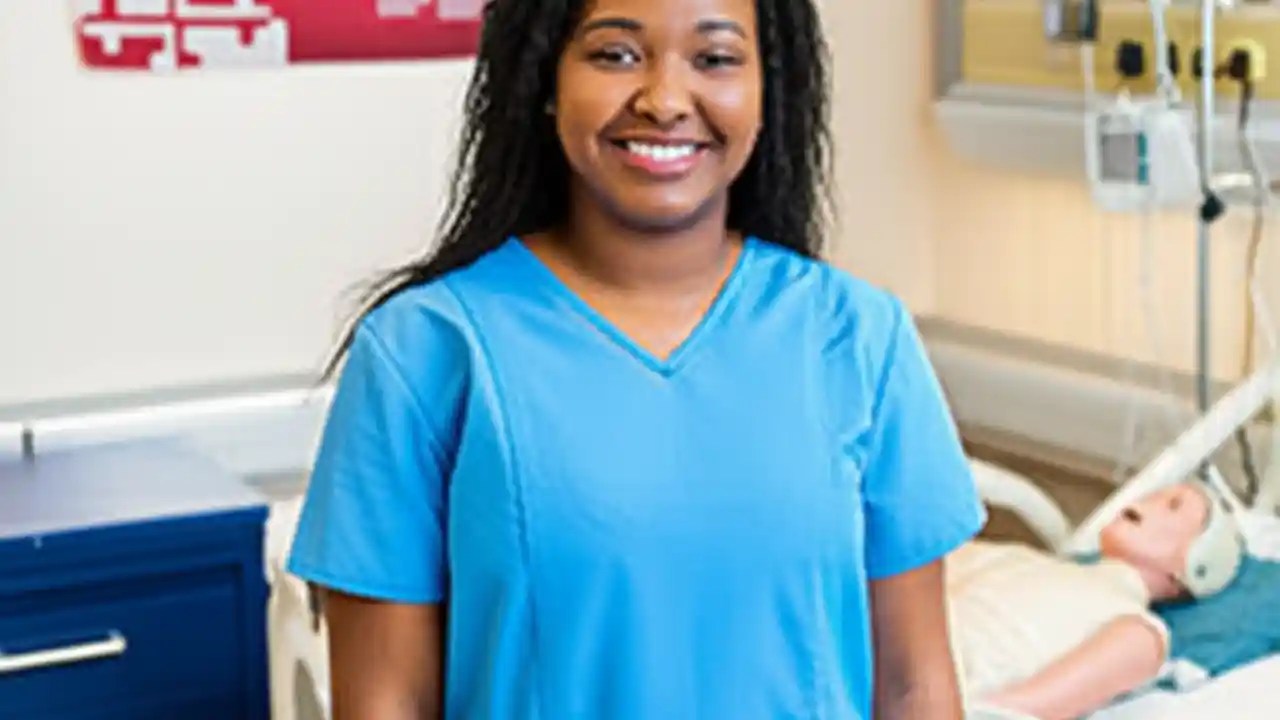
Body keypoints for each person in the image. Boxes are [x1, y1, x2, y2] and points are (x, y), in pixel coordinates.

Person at [287, 0, 987, 717]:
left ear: (767, 90)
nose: (663, 100)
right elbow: (385, 702)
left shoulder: (858, 337)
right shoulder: (425, 350)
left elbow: (912, 685)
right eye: (615, 55)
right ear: (545, 79)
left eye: (715, 59)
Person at [954, 482, 1245, 720]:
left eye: (1172, 506)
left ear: (1195, 563)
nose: (1144, 503)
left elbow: (1017, 710)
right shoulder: (1022, 557)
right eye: (1154, 494)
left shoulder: (1138, 629)